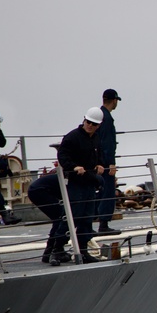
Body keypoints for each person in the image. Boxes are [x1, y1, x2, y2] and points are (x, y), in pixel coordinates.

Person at [51, 107, 105, 265]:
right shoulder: (72, 137)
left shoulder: (95, 138)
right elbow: (62, 155)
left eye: (93, 124)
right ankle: (57, 250)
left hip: (89, 183)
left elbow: (99, 154)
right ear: (84, 120)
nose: (89, 125)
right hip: (76, 184)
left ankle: (83, 250)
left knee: (87, 218)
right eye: (88, 122)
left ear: (98, 126)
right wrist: (73, 167)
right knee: (71, 217)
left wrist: (100, 164)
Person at [96, 89, 121, 236]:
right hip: (104, 162)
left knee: (99, 191)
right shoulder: (106, 118)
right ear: (114, 100)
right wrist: (110, 163)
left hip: (97, 160)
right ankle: (103, 223)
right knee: (107, 191)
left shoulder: (99, 115)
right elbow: (107, 142)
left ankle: (100, 221)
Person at [27, 168, 66, 264]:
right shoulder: (74, 183)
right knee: (60, 218)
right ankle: (52, 251)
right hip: (40, 191)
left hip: (36, 190)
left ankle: (50, 251)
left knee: (59, 218)